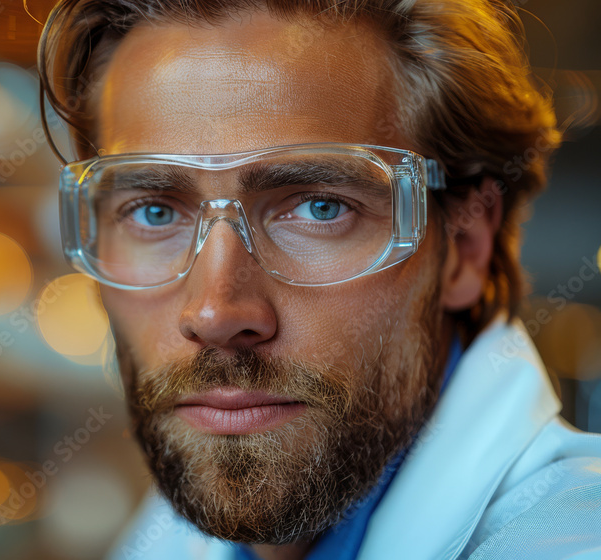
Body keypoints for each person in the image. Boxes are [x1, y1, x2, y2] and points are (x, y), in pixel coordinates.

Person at [37, 1, 601, 559]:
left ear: (465, 249)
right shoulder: (165, 538)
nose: (214, 313)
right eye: (154, 212)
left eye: (319, 208)